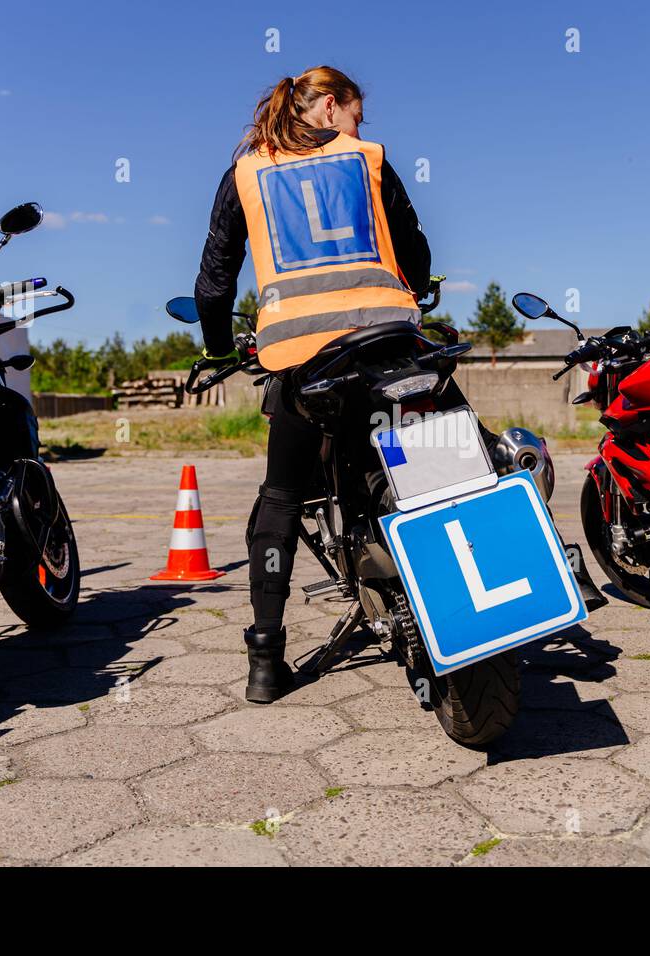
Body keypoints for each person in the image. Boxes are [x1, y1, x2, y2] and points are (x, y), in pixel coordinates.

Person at [194, 66, 432, 703]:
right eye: (357, 112)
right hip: (389, 343)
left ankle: (266, 659)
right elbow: (416, 250)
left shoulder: (246, 172)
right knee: (438, 451)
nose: (361, 127)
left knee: (279, 496)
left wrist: (220, 347)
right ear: (331, 106)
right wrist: (419, 290)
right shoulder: (368, 159)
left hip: (301, 360)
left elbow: (214, 283)